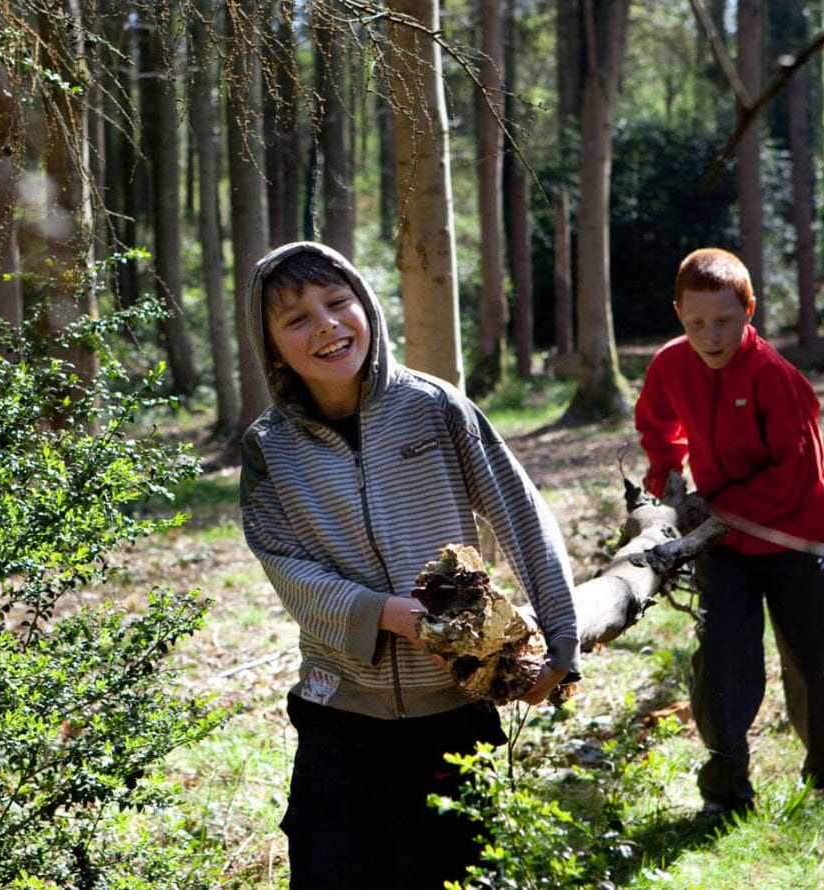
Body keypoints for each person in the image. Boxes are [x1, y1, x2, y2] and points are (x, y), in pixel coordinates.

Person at [239, 241, 580, 889]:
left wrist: (561, 640)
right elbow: (286, 569)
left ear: (367, 306)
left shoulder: (433, 406)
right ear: (272, 347)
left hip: (452, 707)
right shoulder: (269, 448)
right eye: (297, 318)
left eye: (337, 303)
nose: (326, 326)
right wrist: (391, 615)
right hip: (339, 715)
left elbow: (520, 514)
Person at [634, 247, 824, 819]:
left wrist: (715, 505)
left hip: (794, 542)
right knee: (721, 662)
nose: (710, 336)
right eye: (695, 323)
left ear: (749, 310)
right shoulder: (671, 364)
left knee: (812, 664)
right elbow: (658, 426)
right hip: (724, 545)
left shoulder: (776, 379)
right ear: (678, 313)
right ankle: (725, 792)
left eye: (724, 320)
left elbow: (795, 477)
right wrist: (668, 480)